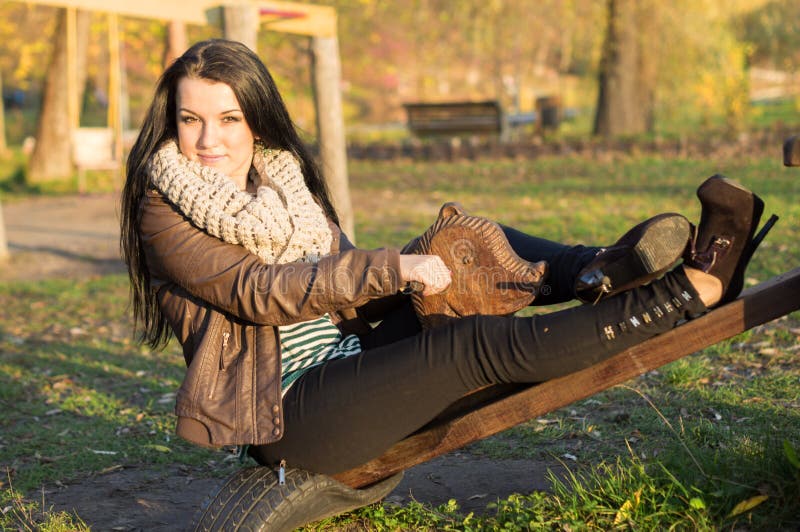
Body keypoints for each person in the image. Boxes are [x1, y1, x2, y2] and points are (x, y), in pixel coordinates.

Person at [120, 39, 773, 476]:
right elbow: (258, 293)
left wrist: (423, 264)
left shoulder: (283, 182)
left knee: (457, 245)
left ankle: (596, 268)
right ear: (171, 122)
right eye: (191, 120)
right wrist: (394, 270)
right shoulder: (162, 206)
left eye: (228, 119)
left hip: (354, 362)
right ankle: (684, 295)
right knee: (472, 345)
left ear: (256, 120)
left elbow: (341, 289)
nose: (208, 139)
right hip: (287, 413)